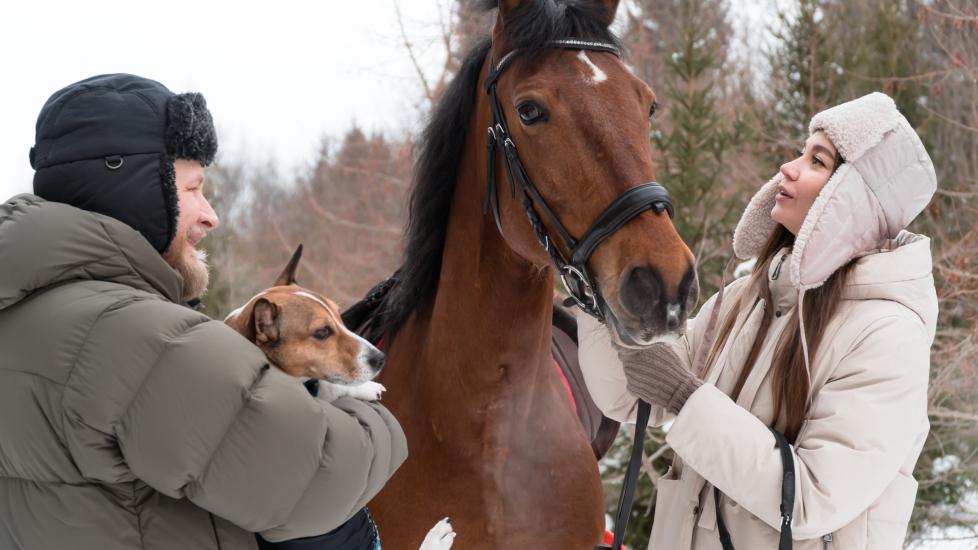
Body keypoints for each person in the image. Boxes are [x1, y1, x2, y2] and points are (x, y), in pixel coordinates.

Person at [0, 74, 406, 550]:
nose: (211, 215)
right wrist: (375, 417)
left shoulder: (23, 310)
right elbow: (317, 478)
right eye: (192, 189)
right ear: (132, 191)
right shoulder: (136, 337)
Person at [578, 92, 937, 549]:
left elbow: (811, 498)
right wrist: (597, 286)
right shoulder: (751, 298)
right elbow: (630, 397)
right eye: (801, 153)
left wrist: (687, 398)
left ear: (853, 199)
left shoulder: (889, 335)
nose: (788, 167)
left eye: (817, 161)